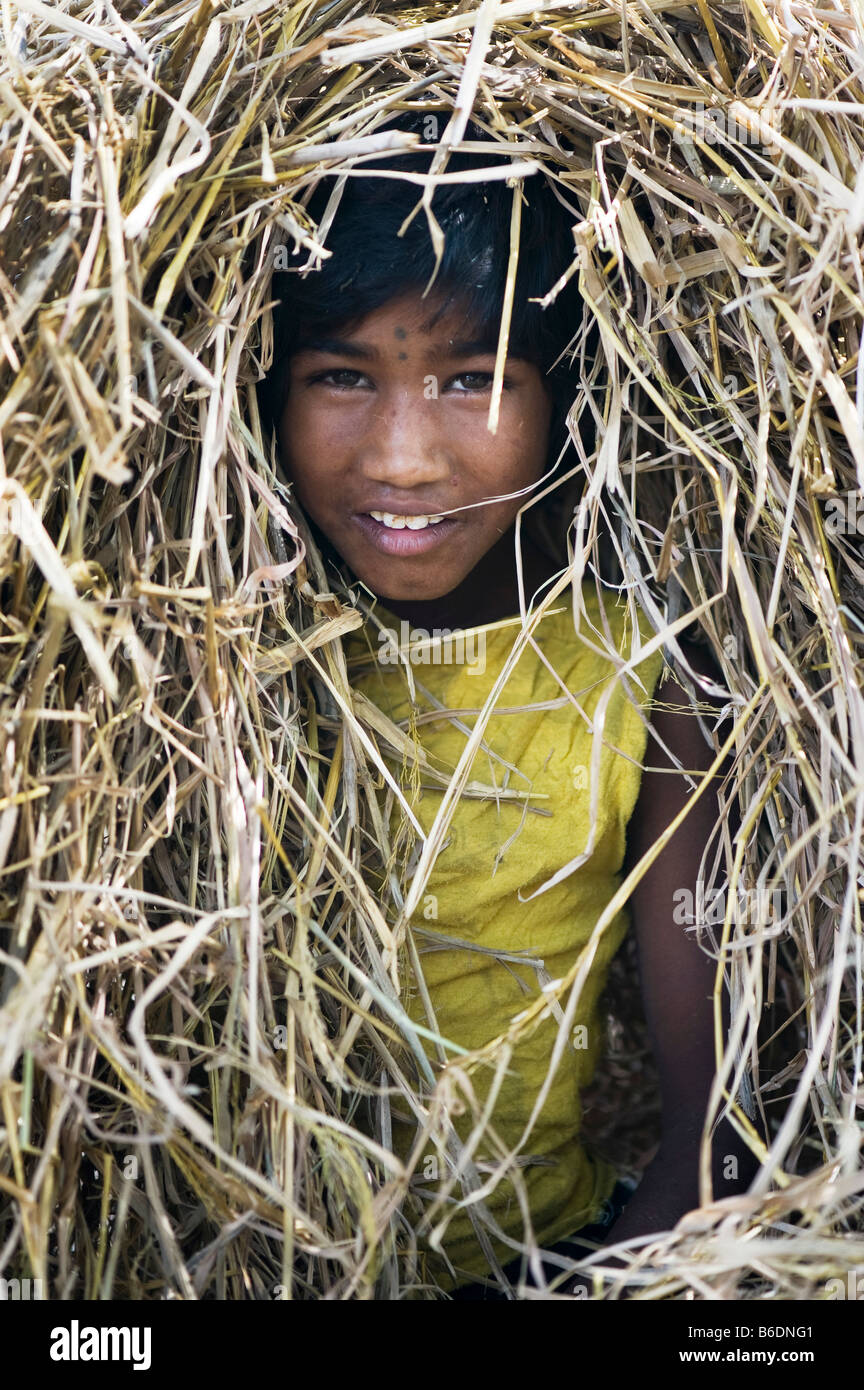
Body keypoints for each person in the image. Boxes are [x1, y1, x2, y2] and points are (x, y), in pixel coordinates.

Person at [261, 118, 759, 1297]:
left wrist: (646, 1248)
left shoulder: (637, 670)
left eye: (472, 382)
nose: (404, 457)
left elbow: (703, 1114)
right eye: (342, 377)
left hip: (551, 1254)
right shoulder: (226, 648)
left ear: (560, 401)